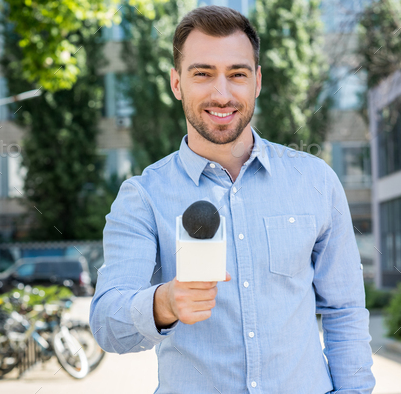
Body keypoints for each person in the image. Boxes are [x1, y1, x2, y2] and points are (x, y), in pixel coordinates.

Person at [89, 5, 375, 394]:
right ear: (176, 83)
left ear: (257, 81)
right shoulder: (142, 197)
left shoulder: (316, 181)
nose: (221, 94)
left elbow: (344, 312)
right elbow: (107, 323)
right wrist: (164, 302)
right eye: (202, 74)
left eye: (237, 74)